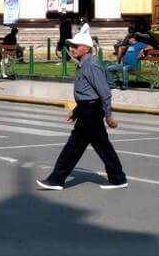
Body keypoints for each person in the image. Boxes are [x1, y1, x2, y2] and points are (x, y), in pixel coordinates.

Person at [36, 27, 126, 192]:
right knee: (101, 145)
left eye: (76, 46)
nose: (72, 49)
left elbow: (103, 92)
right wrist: (76, 111)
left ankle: (57, 179)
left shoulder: (91, 65)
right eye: (72, 46)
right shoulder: (83, 64)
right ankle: (118, 178)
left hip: (91, 111)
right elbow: (86, 93)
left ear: (86, 48)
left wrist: (109, 114)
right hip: (86, 109)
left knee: (73, 146)